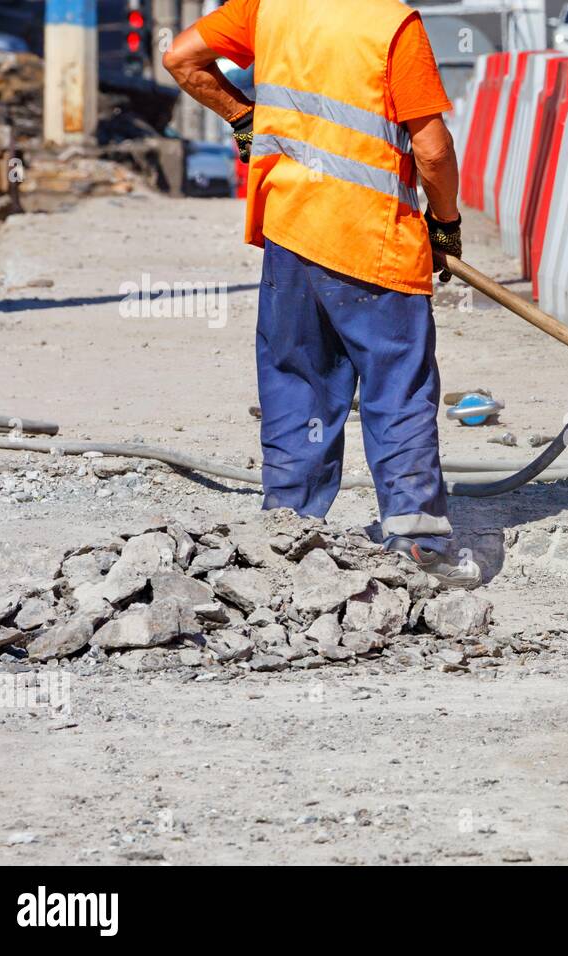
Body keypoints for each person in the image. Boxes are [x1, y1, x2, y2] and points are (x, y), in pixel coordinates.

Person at [163, 0, 479, 588]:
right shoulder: (393, 26)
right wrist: (445, 224)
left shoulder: (266, 8)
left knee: (298, 381)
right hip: (372, 240)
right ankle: (417, 544)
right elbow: (432, 150)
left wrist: (241, 118)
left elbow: (181, 57)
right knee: (397, 385)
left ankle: (283, 533)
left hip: (291, 230)